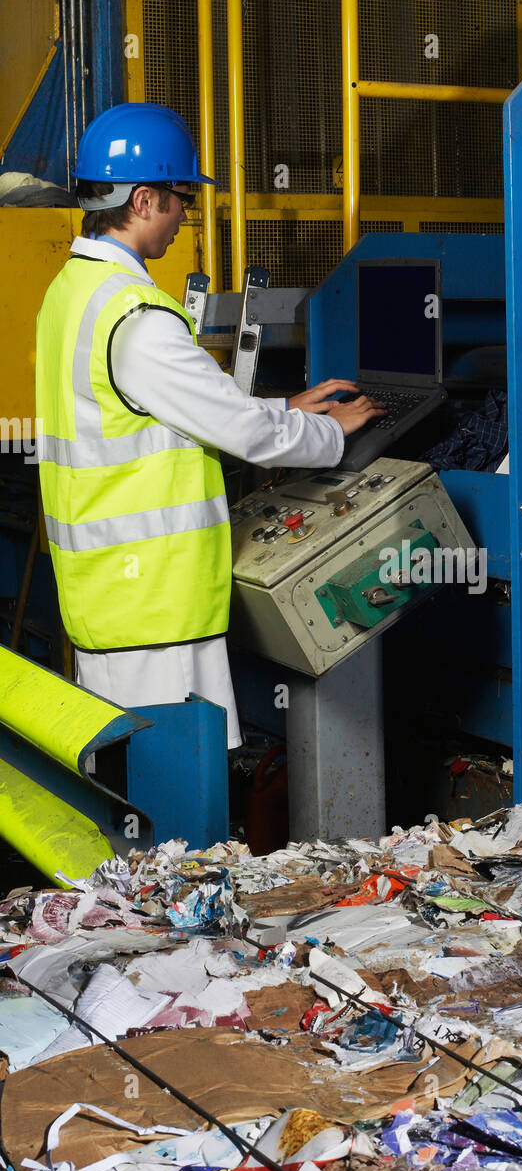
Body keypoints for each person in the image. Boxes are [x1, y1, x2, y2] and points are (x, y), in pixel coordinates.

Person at [35, 102, 384, 749]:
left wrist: (286, 409)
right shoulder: (137, 319)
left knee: (130, 784)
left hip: (110, 597)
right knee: (175, 793)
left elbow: (163, 416)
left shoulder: (72, 292)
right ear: (142, 200)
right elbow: (244, 436)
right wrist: (335, 431)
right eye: (178, 199)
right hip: (156, 606)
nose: (183, 216)